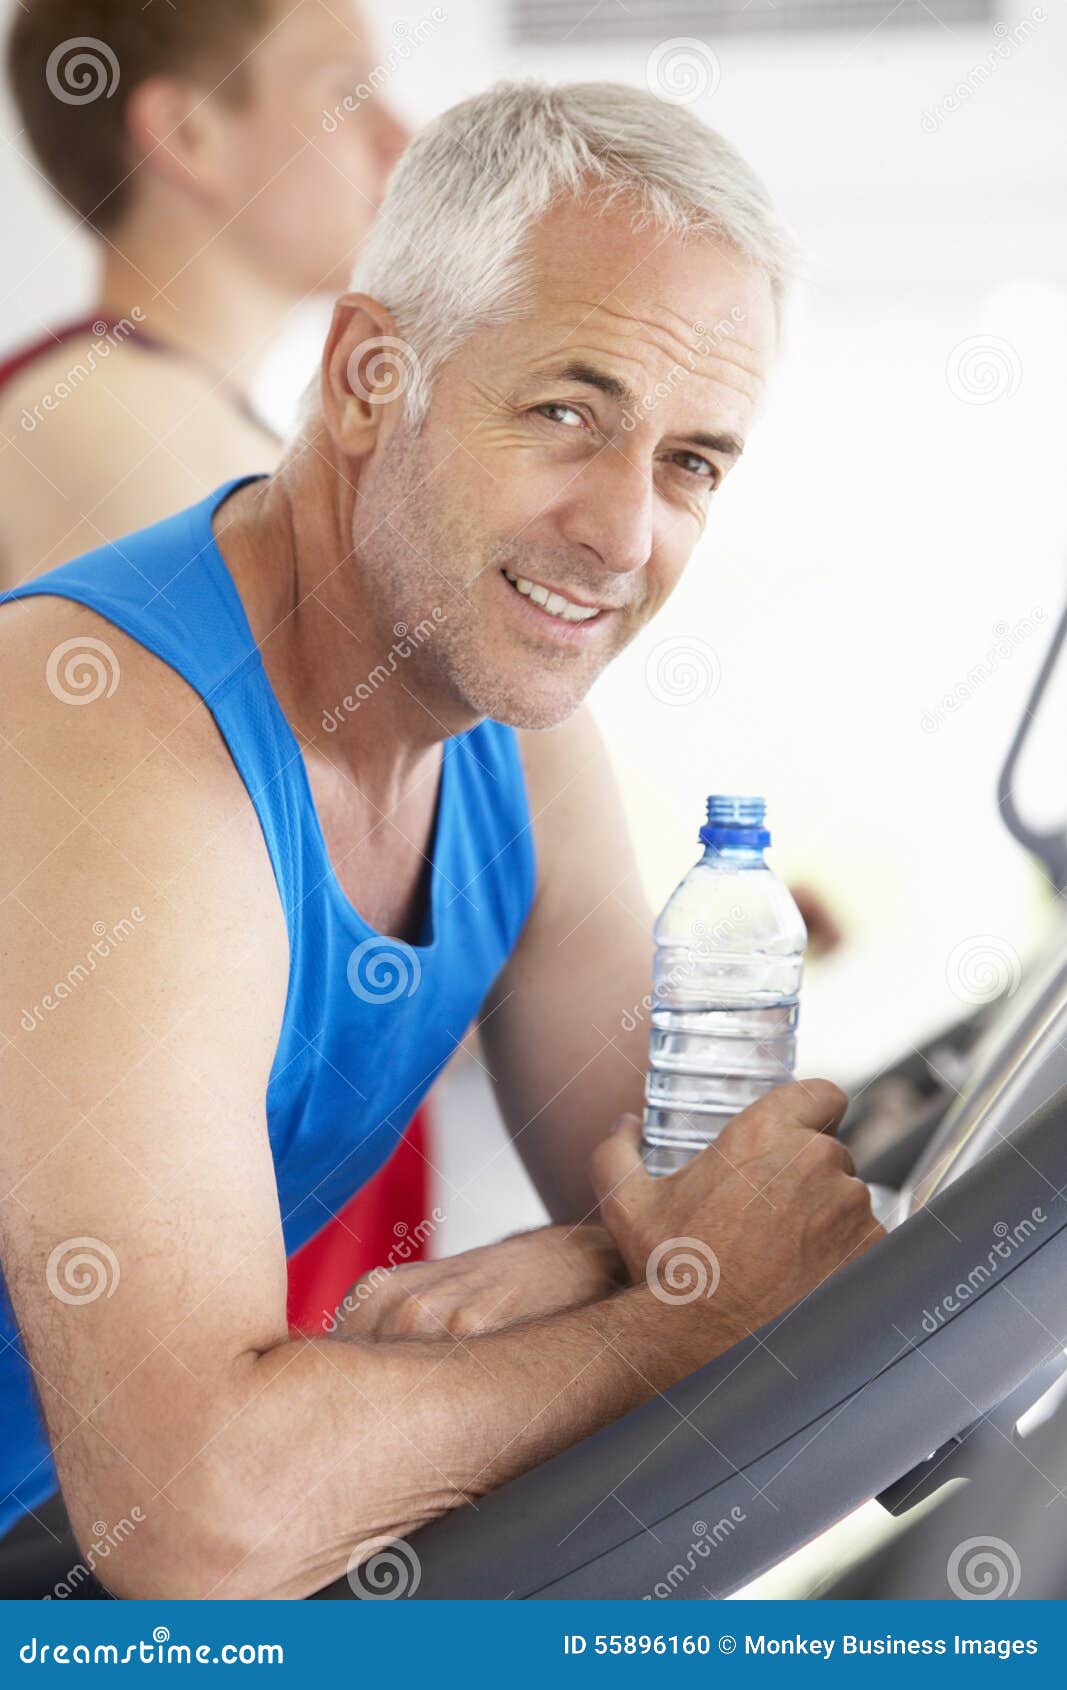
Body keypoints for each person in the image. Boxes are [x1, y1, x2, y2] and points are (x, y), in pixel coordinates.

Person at [0, 80, 882, 1600]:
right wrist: (671, 1319)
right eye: (564, 412)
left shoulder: (518, 752)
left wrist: (586, 1269)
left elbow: (711, 1194)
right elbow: (200, 1516)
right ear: (366, 378)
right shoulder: (107, 745)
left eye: (691, 463)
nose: (622, 534)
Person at [0, 0, 428, 1334]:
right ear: (184, 130)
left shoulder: (190, 425)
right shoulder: (122, 429)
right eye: (344, 93)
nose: (397, 138)